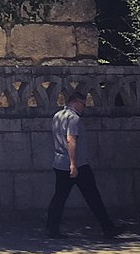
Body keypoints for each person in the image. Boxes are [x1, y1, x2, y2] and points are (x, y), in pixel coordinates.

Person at [45, 91, 119, 239]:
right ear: (76, 102)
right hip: (77, 164)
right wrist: (73, 164)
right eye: (83, 104)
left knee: (59, 197)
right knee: (93, 196)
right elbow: (71, 140)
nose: (83, 108)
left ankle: (51, 228)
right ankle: (108, 228)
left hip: (59, 162)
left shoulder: (57, 116)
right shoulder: (74, 119)